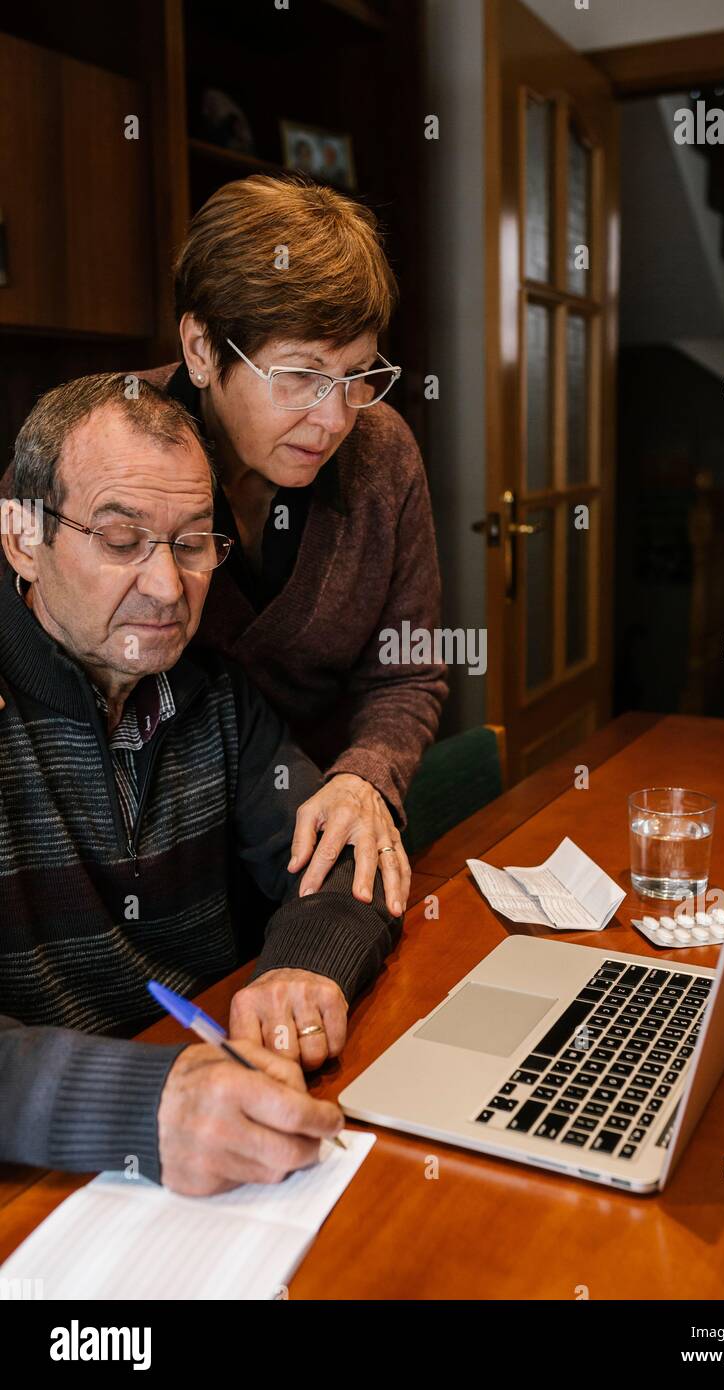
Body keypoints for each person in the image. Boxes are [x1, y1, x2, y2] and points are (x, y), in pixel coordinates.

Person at [0, 374, 400, 1196]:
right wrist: (144, 1105)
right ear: (22, 538)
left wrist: (305, 966)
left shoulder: (217, 695)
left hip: (231, 1115)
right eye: (120, 541)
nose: (166, 588)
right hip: (46, 1182)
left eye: (191, 544)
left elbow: (339, 857)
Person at [138, 173, 448, 921]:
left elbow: (407, 672)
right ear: (203, 348)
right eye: (302, 376)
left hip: (319, 835)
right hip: (152, 851)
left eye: (355, 377)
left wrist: (366, 777)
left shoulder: (382, 455)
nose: (335, 418)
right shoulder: (103, 451)